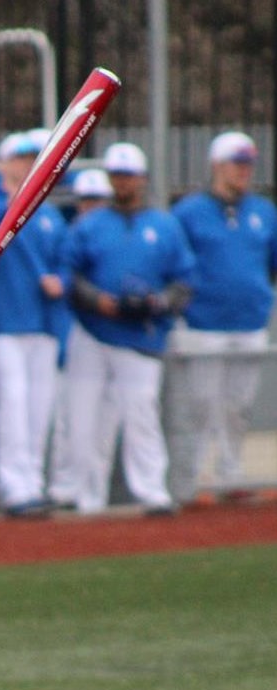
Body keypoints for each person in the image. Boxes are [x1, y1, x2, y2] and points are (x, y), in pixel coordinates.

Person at [60, 143, 195, 516]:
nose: (123, 182)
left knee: (141, 414)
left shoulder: (164, 225)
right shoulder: (90, 224)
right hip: (93, 330)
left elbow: (183, 280)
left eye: (129, 176)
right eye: (117, 176)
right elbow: (69, 273)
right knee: (84, 418)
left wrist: (158, 302)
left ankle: (152, 491)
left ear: (142, 178)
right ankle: (88, 497)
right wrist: (98, 300)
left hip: (141, 334)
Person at [0, 131, 67, 517]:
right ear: (3, 164)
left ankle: (33, 481)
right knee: (12, 405)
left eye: (30, 159)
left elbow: (65, 258)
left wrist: (61, 280)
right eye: (19, 159)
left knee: (40, 408)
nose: (25, 166)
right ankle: (12, 485)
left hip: (44, 323)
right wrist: (7, 207)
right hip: (4, 323)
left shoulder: (48, 212)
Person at [167, 131, 277, 507]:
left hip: (250, 321)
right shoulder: (189, 212)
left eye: (248, 164)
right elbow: (175, 263)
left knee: (238, 405)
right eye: (237, 163)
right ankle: (194, 477)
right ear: (217, 165)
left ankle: (230, 474)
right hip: (202, 323)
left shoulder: (263, 211)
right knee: (200, 404)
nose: (244, 171)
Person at [45, 167, 118, 509]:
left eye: (98, 200)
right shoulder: (70, 238)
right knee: (69, 423)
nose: (92, 207)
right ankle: (65, 489)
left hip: (110, 341)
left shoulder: (112, 238)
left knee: (104, 423)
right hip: (69, 347)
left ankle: (94, 493)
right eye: (87, 201)